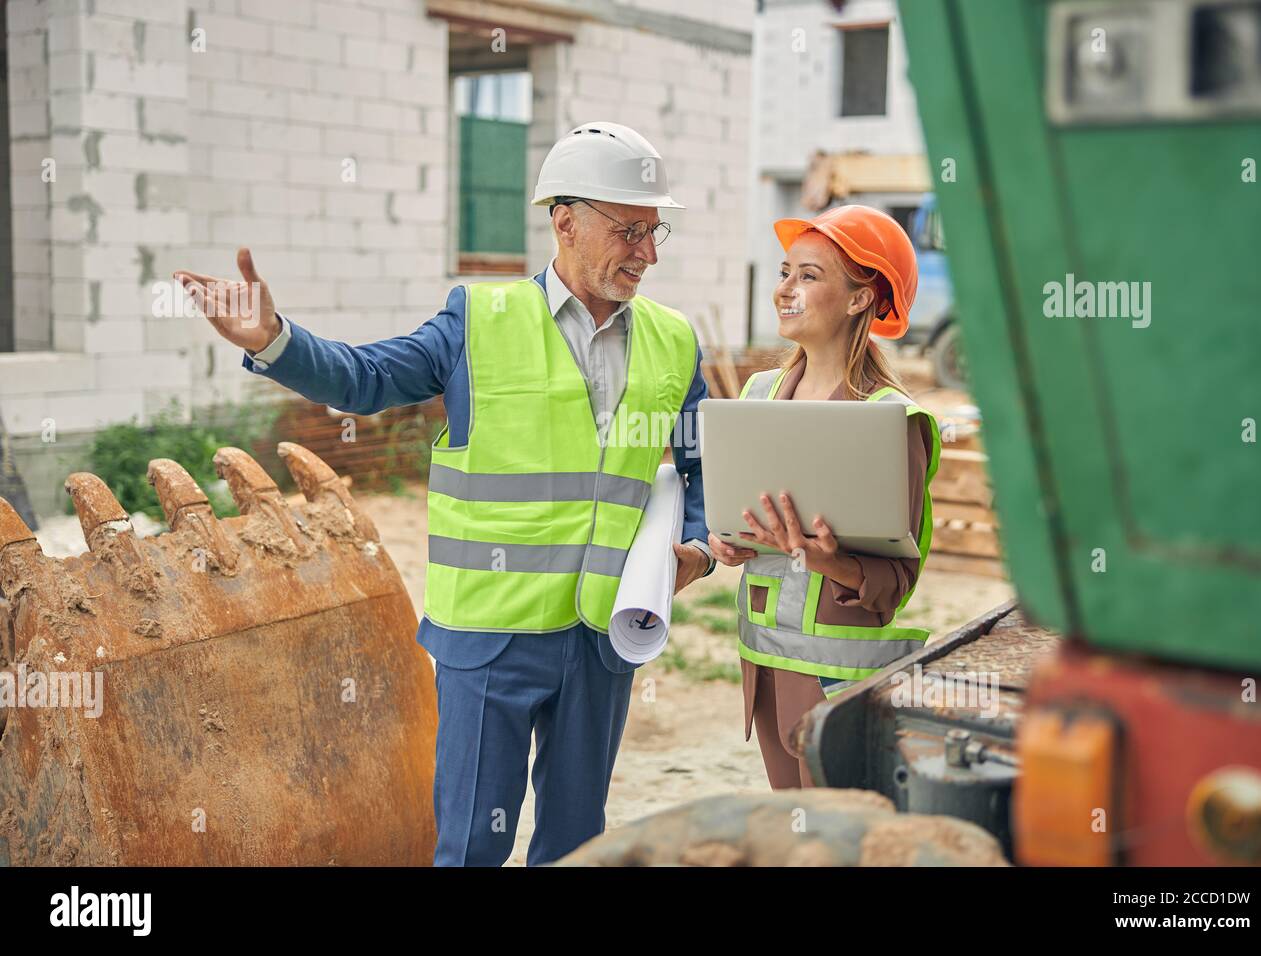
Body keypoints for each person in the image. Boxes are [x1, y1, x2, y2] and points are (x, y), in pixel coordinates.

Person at [174, 121, 715, 865]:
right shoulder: (479, 321)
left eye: (656, 232)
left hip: (603, 634)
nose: (648, 253)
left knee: (576, 845)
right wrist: (275, 341)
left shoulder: (674, 340)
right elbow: (365, 379)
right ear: (565, 221)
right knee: (468, 846)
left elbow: (700, 461)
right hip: (490, 640)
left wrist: (700, 545)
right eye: (630, 230)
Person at [708, 205, 940, 790]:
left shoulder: (890, 419)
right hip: (763, 666)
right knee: (794, 837)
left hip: (839, 680)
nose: (785, 289)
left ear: (860, 298)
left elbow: (898, 579)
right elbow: (740, 518)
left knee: (834, 844)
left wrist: (826, 559)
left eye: (809, 276)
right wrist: (729, 541)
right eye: (785, 272)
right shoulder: (759, 395)